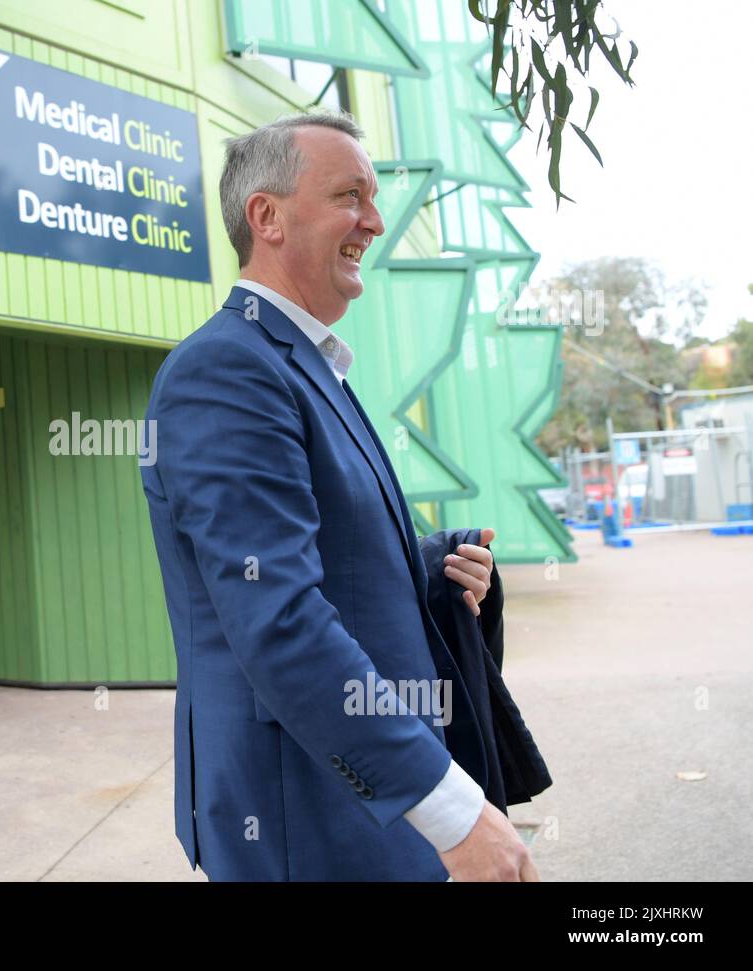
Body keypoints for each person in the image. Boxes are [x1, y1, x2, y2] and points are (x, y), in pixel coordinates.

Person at [140, 111, 538, 882]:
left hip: (364, 808)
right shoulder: (225, 371)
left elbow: (331, 557)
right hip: (310, 821)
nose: (377, 220)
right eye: (350, 195)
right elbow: (278, 618)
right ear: (268, 217)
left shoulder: (310, 368)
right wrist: (450, 809)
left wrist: (435, 565)